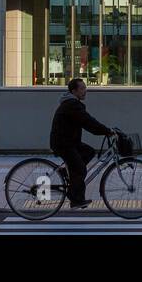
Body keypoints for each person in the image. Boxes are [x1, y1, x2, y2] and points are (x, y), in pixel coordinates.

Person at [49, 77, 116, 209]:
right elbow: (88, 122)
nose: (85, 91)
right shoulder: (72, 105)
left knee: (89, 152)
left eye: (85, 88)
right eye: (82, 88)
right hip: (63, 144)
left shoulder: (72, 103)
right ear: (74, 91)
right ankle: (76, 200)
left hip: (70, 142)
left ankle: (70, 172)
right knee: (80, 168)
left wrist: (105, 130)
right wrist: (107, 131)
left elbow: (88, 121)